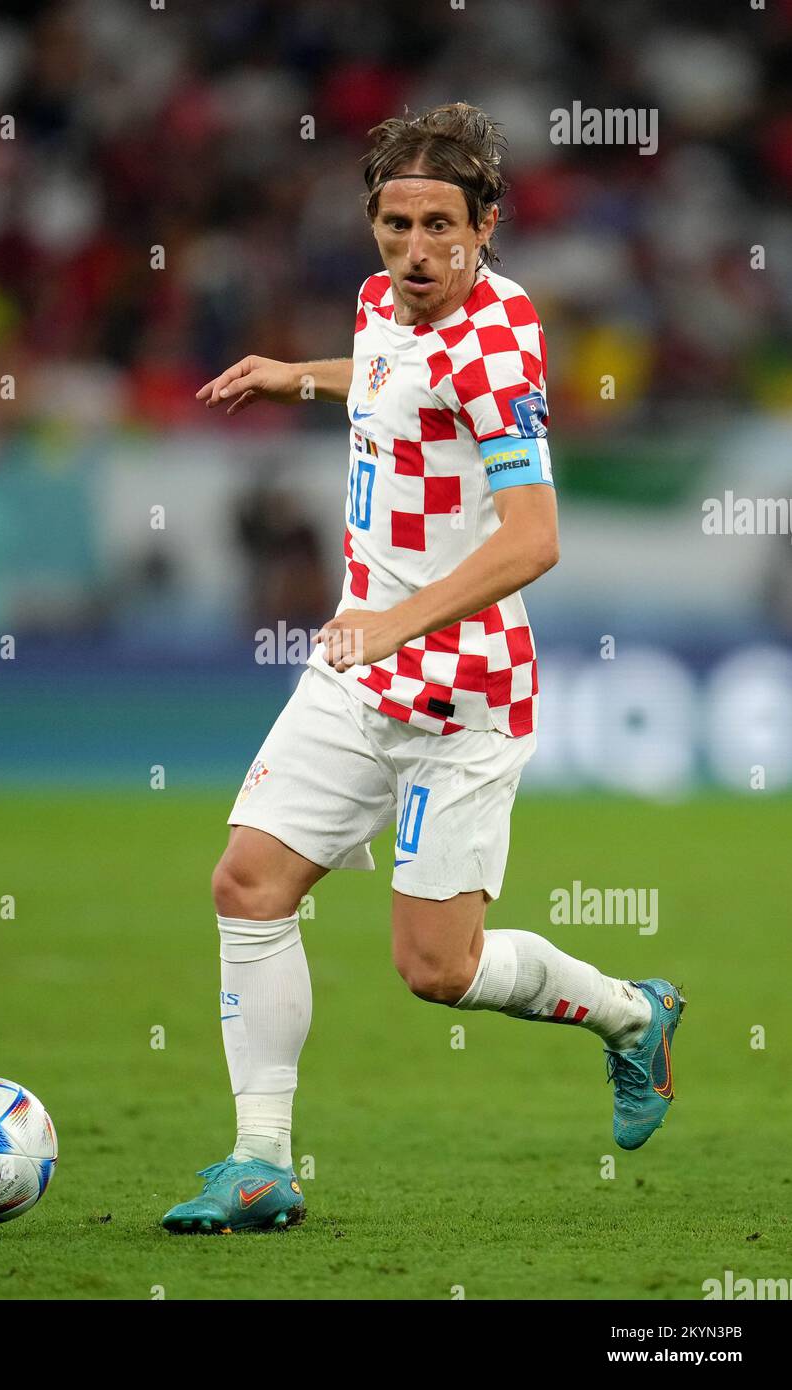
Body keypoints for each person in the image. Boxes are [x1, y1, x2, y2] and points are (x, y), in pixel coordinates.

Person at [163, 103, 684, 1235]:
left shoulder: (498, 349)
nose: (412, 251)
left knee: (434, 970)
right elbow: (390, 377)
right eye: (392, 224)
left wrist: (397, 623)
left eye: (437, 226)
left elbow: (534, 536)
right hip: (359, 670)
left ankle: (630, 1015)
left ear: (485, 224)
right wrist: (291, 375)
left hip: (460, 690)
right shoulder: (379, 302)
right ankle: (259, 1163)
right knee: (246, 882)